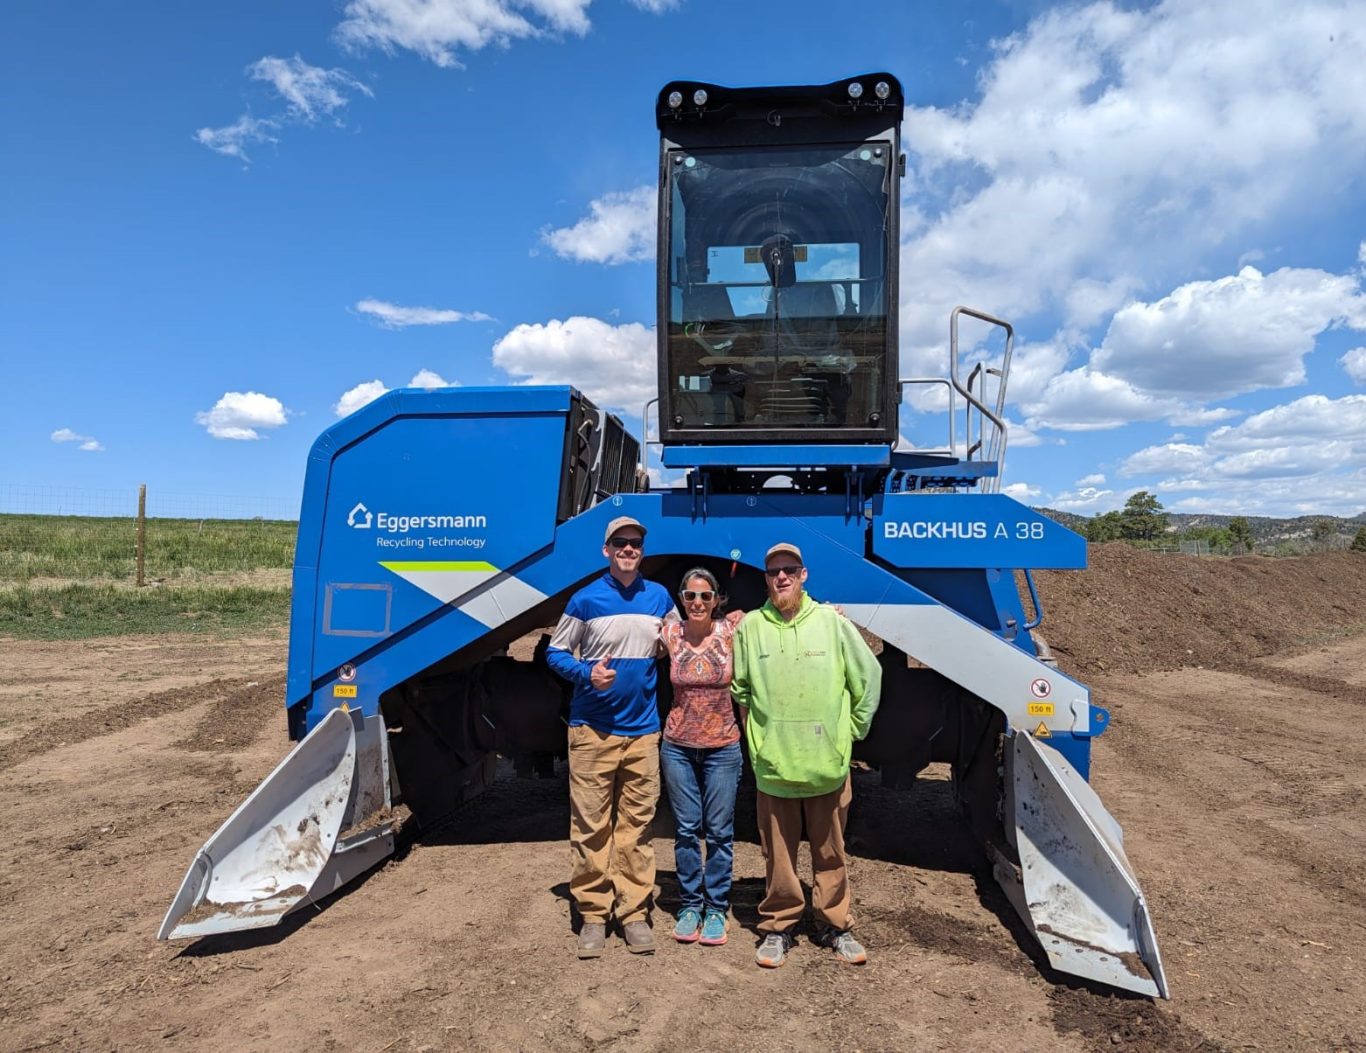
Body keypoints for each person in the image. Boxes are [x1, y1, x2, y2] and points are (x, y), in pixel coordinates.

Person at [731, 542, 882, 969]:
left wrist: (850, 733)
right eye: (774, 570)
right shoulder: (751, 628)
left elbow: (868, 678)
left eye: (789, 569)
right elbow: (741, 689)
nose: (782, 577)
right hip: (775, 768)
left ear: (804, 575)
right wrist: (756, 743)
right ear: (765, 578)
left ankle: (835, 924)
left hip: (827, 767)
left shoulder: (832, 625)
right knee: (777, 856)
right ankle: (779, 926)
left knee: (830, 853)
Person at [546, 516, 678, 959]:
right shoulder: (585, 601)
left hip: (642, 733)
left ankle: (634, 913)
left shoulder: (659, 598)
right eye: (620, 543)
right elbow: (555, 653)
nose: (627, 549)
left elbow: (681, 641)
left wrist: (727, 622)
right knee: (590, 828)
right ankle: (593, 915)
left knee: (636, 829)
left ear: (642, 550)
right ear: (606, 550)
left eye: (635, 543)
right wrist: (586, 674)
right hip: (592, 733)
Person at [659, 567, 745, 947]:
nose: (697, 603)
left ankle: (716, 908)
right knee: (686, 830)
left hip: (723, 748)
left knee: (721, 833)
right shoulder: (669, 633)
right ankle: (690, 905)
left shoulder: (732, 631)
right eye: (690, 596)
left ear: (716, 600)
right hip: (677, 746)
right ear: (681, 599)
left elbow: (774, 618)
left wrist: (832, 612)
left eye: (705, 596)